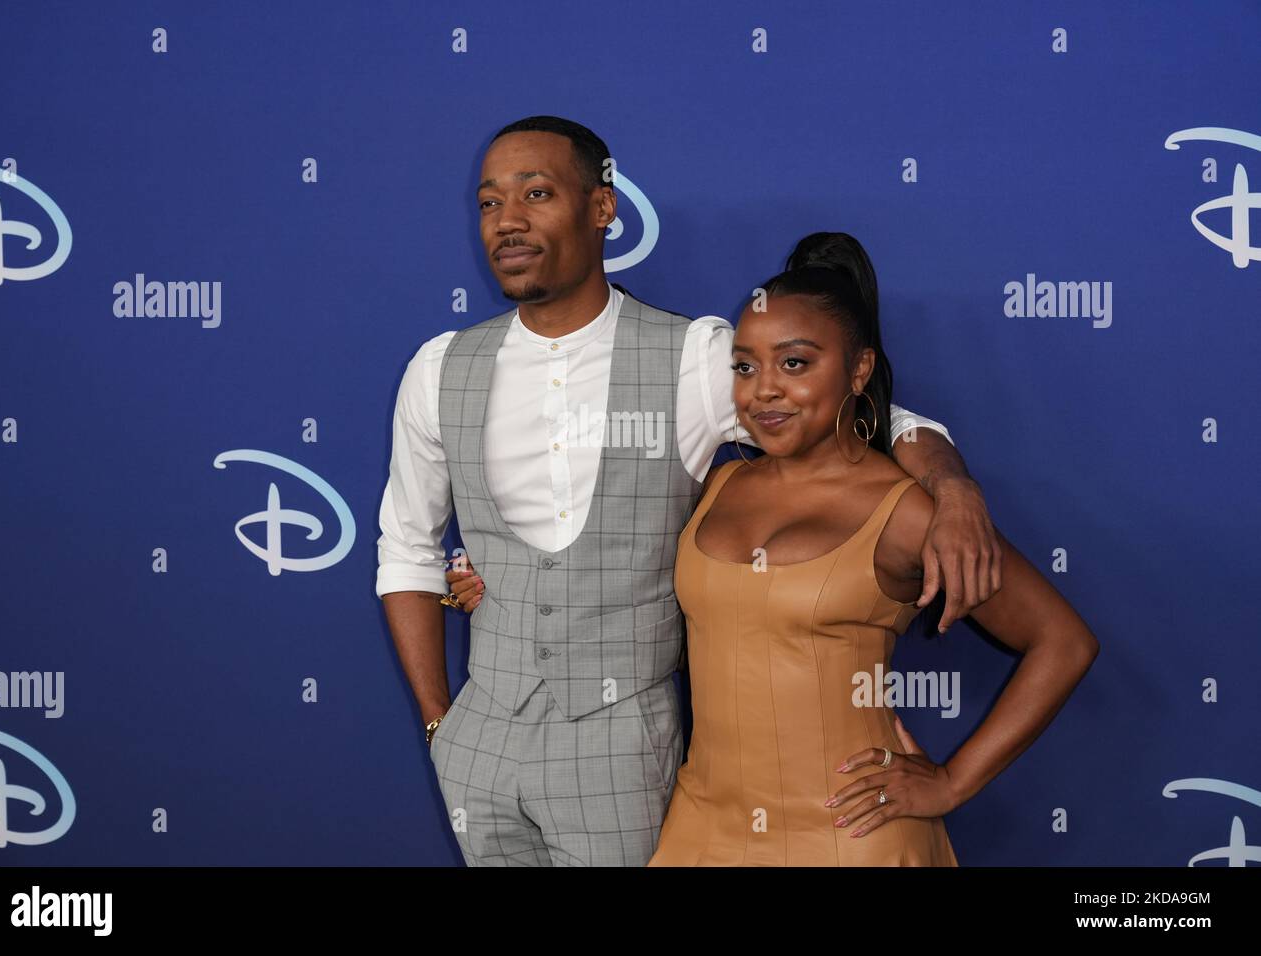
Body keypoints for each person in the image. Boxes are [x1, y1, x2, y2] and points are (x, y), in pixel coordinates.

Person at [381, 115, 1001, 866]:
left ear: (603, 208)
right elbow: (408, 549)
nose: (507, 220)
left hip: (623, 749)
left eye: (536, 193)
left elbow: (878, 419)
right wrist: (442, 727)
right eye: (488, 203)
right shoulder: (440, 366)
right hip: (480, 748)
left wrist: (953, 487)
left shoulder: (694, 358)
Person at [641, 232, 1100, 865]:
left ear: (859, 369)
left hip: (850, 834)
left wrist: (951, 780)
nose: (763, 390)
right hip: (701, 829)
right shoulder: (720, 482)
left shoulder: (906, 510)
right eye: (745, 366)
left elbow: (1064, 642)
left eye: (795, 363)